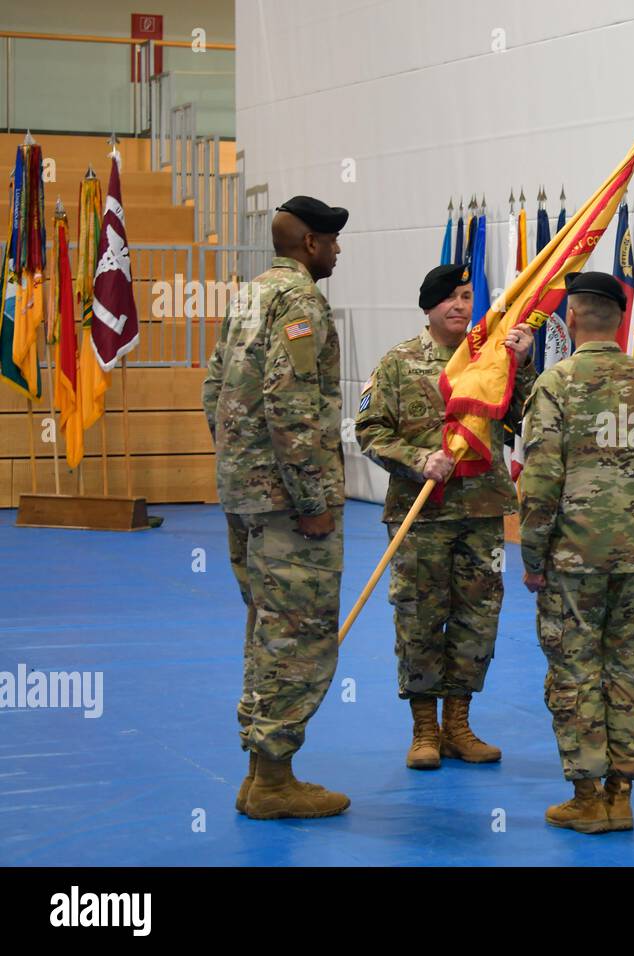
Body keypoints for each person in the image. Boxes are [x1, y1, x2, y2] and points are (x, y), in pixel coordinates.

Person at [520, 271, 634, 833]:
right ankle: (622, 792)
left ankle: (587, 794)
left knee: (574, 672)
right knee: (628, 671)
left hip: (574, 559)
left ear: (570, 318)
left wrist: (531, 557)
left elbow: (541, 482)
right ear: (621, 321)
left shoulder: (554, 385)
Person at [202, 195, 350, 819]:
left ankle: (259, 770)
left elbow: (214, 388)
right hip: (288, 503)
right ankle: (274, 781)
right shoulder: (299, 301)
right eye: (333, 241)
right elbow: (290, 404)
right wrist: (311, 498)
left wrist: (241, 466)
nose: (339, 251)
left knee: (267, 627)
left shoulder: (247, 296)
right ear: (310, 244)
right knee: (298, 633)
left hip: (246, 494)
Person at [355, 263, 535, 769]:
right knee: (419, 617)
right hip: (421, 515)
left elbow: (531, 416)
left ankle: (459, 724)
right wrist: (417, 460)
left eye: (466, 297)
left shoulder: (492, 359)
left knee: (477, 618)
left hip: (481, 511)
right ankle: (424, 730)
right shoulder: (398, 363)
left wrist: (524, 363)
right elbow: (369, 430)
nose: (459, 307)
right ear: (428, 307)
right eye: (449, 299)